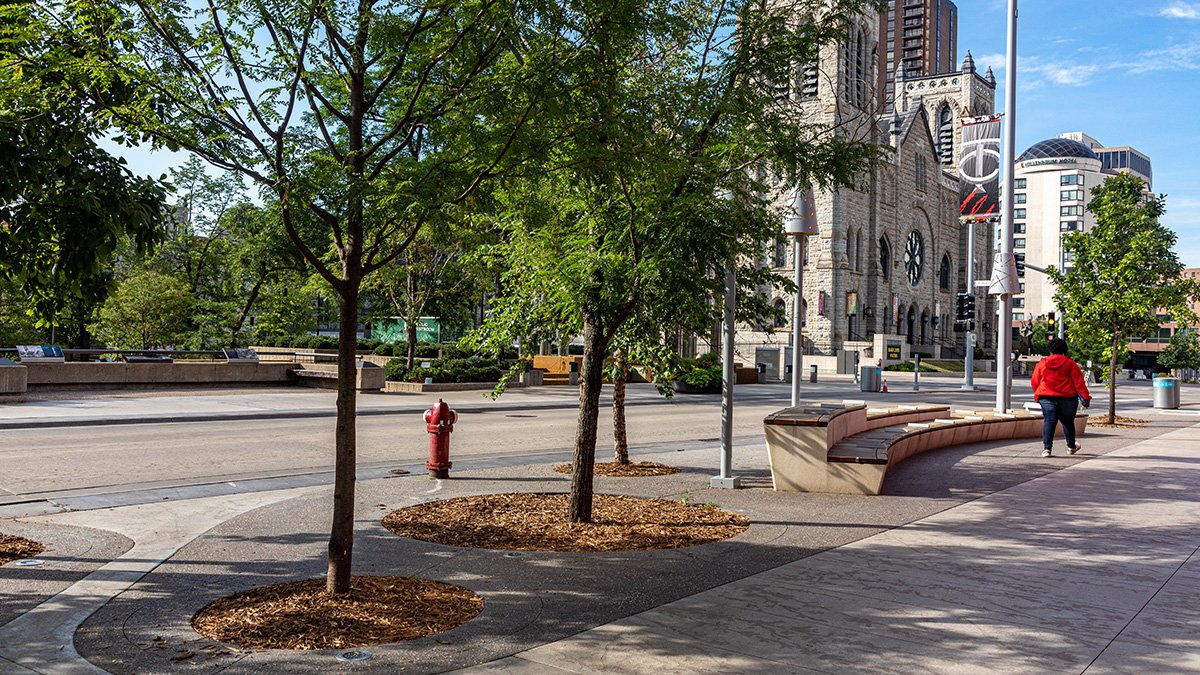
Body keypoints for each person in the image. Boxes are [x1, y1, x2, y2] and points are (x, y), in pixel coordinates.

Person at [1030, 338, 1092, 457]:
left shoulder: (1042, 363)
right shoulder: (1070, 363)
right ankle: (1071, 447)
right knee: (1068, 423)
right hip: (1068, 397)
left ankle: (1047, 449)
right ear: (1064, 349)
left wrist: (1040, 393)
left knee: (1049, 421)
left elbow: (1035, 381)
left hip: (1046, 396)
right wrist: (1086, 398)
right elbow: (1079, 383)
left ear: (1049, 349)